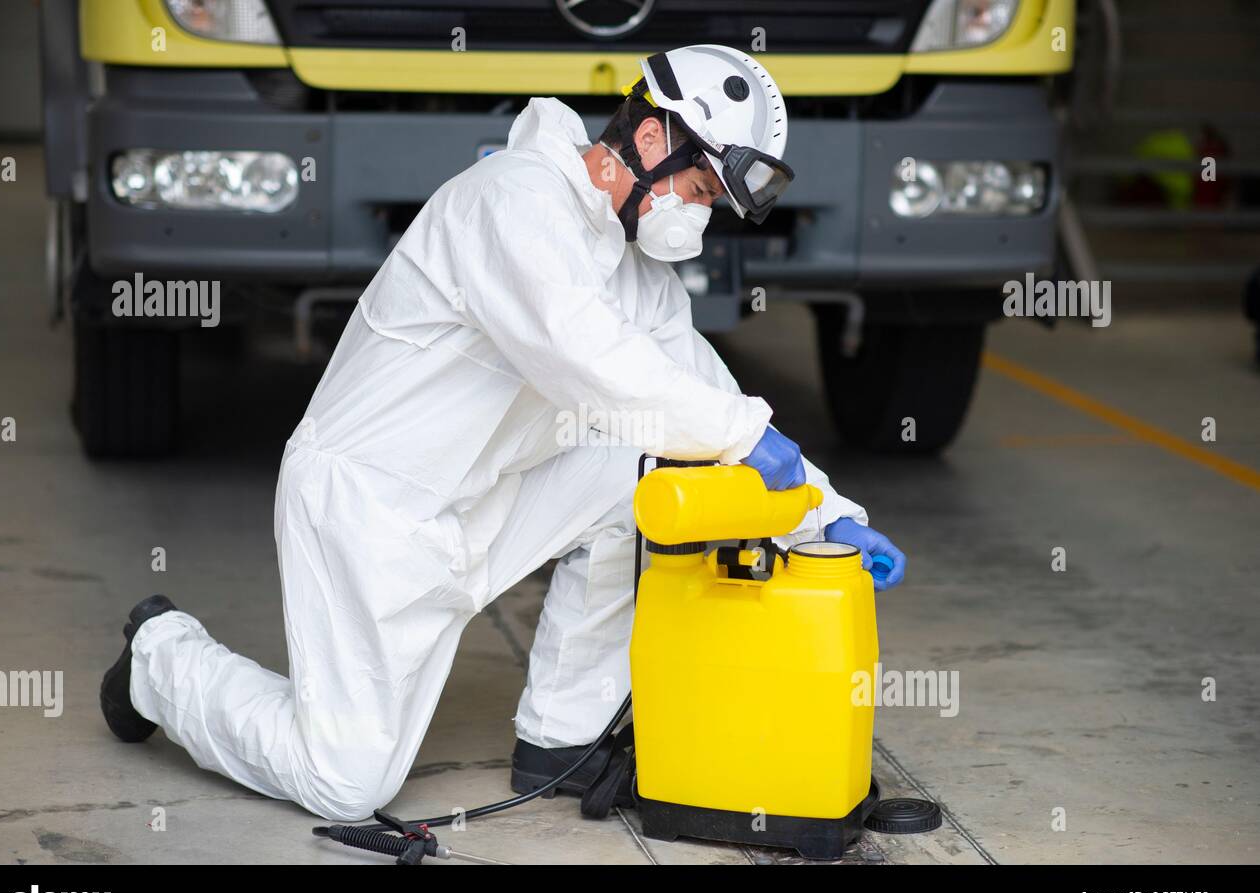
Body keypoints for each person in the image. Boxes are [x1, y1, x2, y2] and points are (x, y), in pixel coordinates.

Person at [100, 45, 907, 822]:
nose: (700, 214)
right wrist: (741, 435)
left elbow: (705, 395)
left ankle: (562, 736)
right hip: (369, 511)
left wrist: (827, 512)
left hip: (480, 505)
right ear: (654, 137)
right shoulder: (511, 202)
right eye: (700, 188)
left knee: (645, 467)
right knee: (343, 780)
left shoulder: (639, 275)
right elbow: (589, 360)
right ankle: (159, 658)